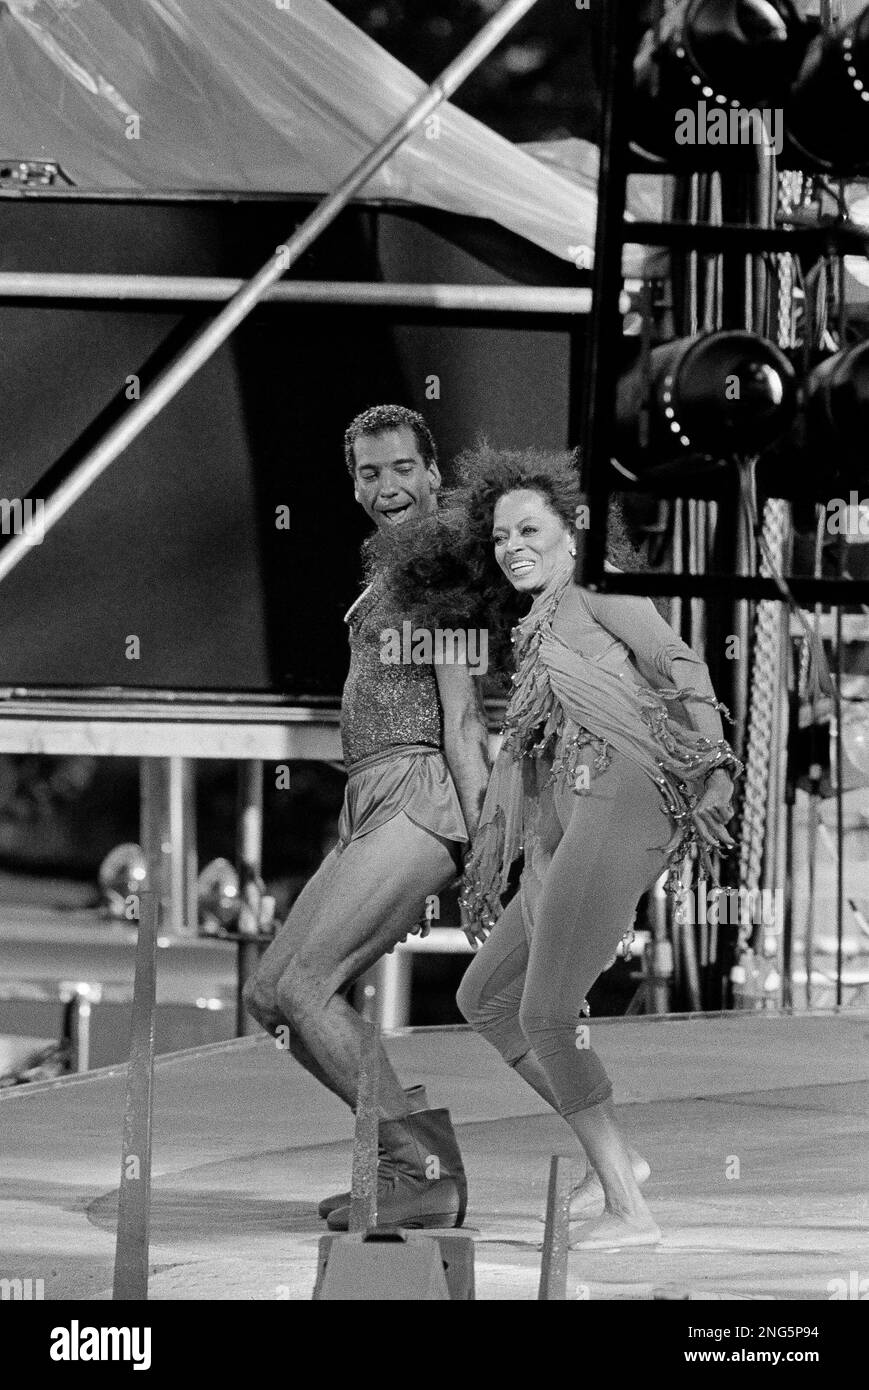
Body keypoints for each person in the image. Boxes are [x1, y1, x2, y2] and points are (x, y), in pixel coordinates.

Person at [382, 445, 741, 1250]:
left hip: (625, 797)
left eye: (528, 529)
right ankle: (619, 1160)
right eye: (501, 536)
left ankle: (625, 1206)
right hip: (576, 814)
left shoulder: (599, 593)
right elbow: (533, 751)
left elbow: (675, 661)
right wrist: (512, 851)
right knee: (486, 1001)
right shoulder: (535, 626)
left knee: (545, 1013)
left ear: (573, 531)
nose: (512, 546)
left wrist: (715, 759)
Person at [244, 405, 490, 1232]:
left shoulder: (446, 566)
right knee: (270, 992)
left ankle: (415, 1169)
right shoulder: (388, 566)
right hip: (372, 797)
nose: (387, 487)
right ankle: (415, 1157)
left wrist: (487, 843)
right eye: (369, 473)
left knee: (309, 987)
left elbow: (462, 716)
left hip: (424, 795)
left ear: (433, 473)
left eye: (401, 469)